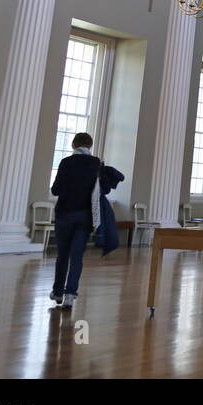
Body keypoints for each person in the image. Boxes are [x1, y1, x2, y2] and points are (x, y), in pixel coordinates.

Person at [49, 133, 123, 310]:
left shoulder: (66, 162)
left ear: (74, 144)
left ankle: (57, 291)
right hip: (84, 215)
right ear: (90, 145)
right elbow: (104, 190)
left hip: (64, 213)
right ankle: (70, 294)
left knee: (62, 255)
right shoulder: (96, 163)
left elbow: (55, 190)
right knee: (77, 256)